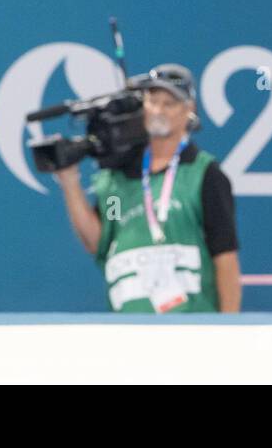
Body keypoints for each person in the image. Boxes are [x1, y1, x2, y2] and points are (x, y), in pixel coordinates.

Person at [56, 65, 242, 313]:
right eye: (152, 101)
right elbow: (102, 239)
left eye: (169, 103)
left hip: (193, 329)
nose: (158, 111)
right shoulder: (116, 182)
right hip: (128, 329)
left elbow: (225, 257)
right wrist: (70, 182)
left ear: (189, 110)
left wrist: (230, 329)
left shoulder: (204, 175)